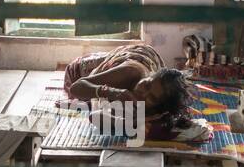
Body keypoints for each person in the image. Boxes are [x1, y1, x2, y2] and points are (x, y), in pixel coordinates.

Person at [62, 42, 199, 139]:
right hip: (80, 71)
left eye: (151, 97)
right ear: (150, 75)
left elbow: (99, 117)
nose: (143, 93)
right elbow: (76, 87)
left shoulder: (158, 110)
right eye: (146, 85)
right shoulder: (131, 73)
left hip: (132, 55)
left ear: (158, 107)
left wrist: (131, 122)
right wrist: (111, 92)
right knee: (83, 98)